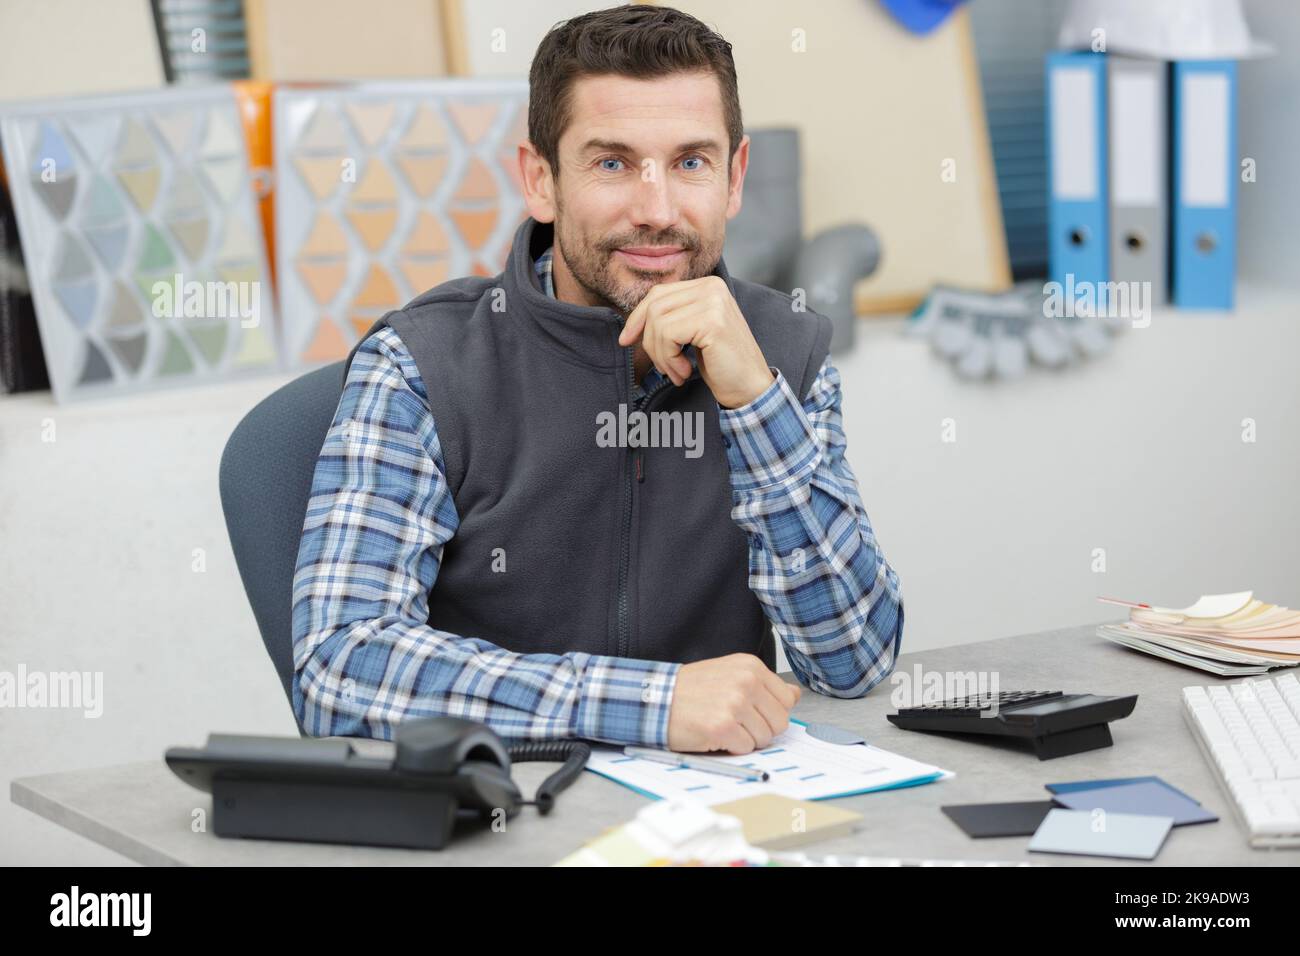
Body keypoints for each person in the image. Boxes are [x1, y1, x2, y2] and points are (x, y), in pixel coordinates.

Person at [291, 4, 903, 755]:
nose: (656, 210)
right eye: (612, 163)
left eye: (690, 163)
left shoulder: (786, 352)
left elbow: (852, 662)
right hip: (508, 822)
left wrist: (756, 400)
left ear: (735, 177)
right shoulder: (422, 365)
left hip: (724, 820)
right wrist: (649, 702)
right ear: (541, 180)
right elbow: (339, 669)